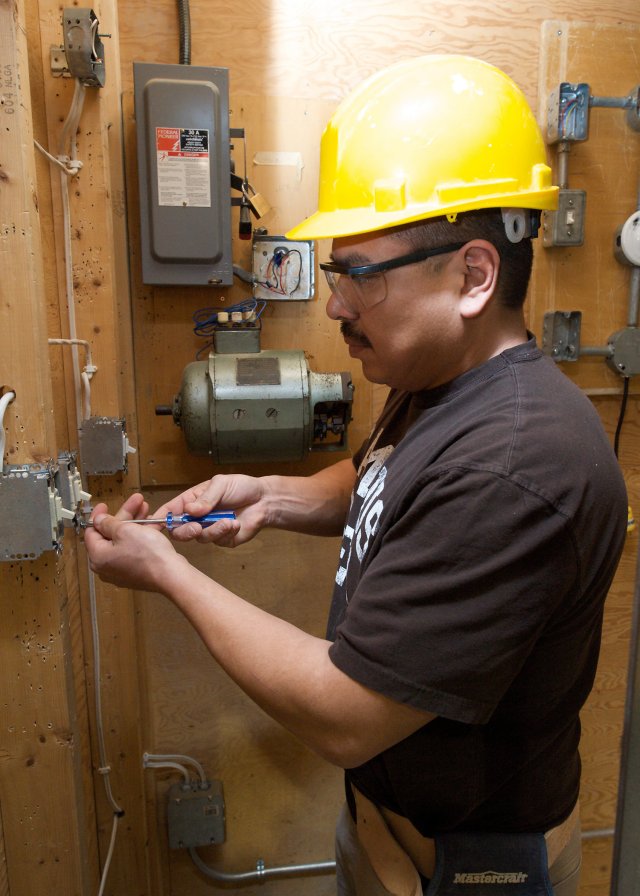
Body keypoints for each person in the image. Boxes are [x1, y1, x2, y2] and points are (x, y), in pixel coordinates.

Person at [85, 55, 628, 896]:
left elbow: (344, 715)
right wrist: (273, 497)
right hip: (386, 833)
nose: (334, 304)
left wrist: (164, 571)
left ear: (473, 276)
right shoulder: (439, 385)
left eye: (357, 275)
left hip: (466, 869)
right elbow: (387, 479)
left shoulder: (516, 465)